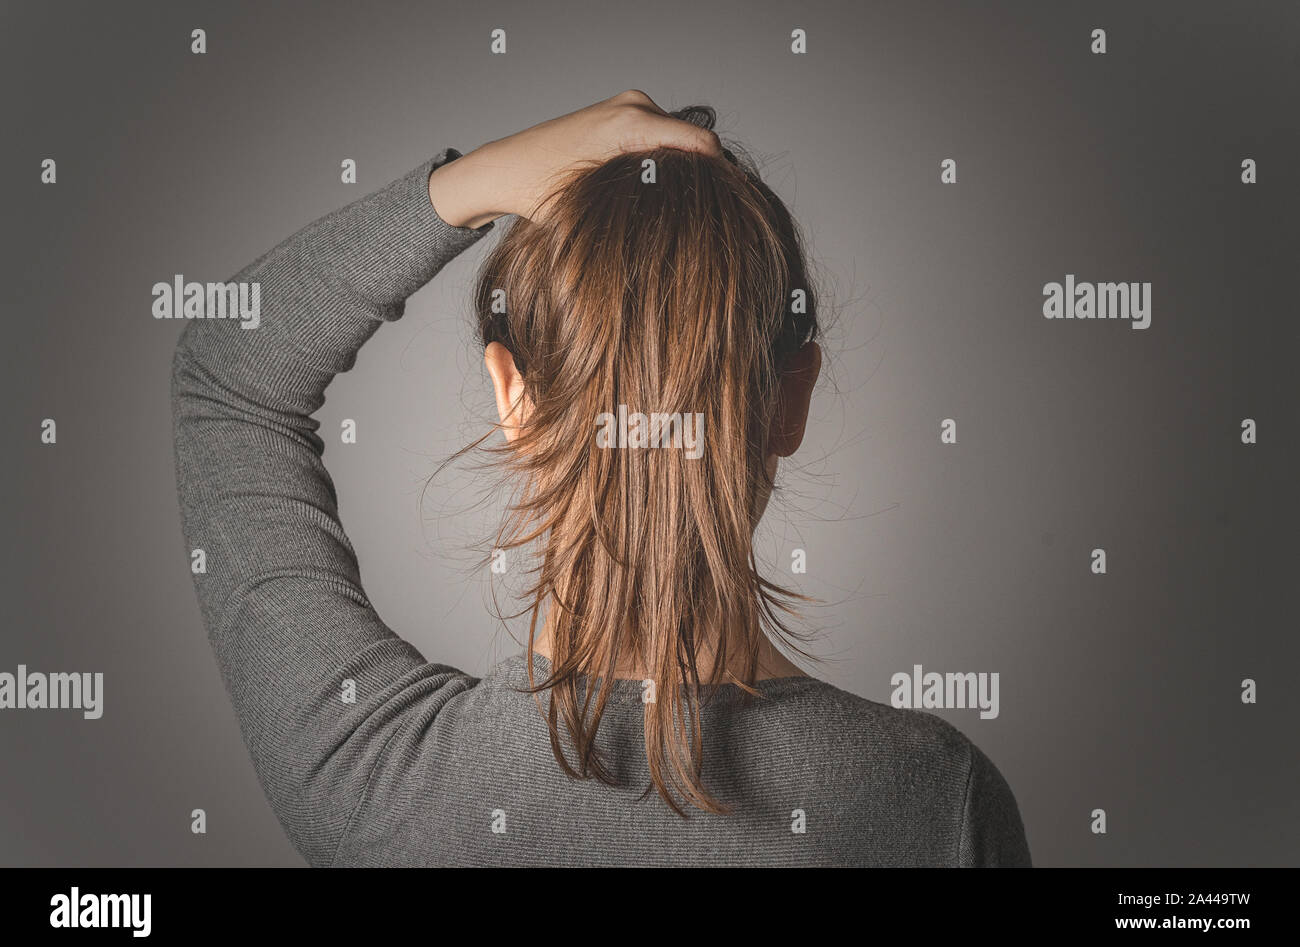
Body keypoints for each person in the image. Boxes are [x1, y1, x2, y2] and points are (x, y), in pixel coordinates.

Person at [171, 90, 1031, 866]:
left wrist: (475, 180)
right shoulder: (933, 805)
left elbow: (226, 371)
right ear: (790, 399)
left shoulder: (387, 785)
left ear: (515, 396)